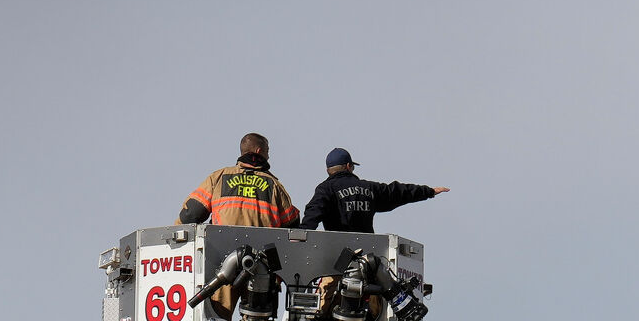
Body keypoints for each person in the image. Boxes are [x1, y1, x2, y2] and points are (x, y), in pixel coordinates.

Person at [301, 148, 448, 233]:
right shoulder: (369, 188)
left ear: (328, 170)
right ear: (349, 166)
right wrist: (428, 191)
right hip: (367, 257)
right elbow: (398, 192)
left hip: (335, 257)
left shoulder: (325, 189)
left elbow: (314, 212)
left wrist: (300, 235)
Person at [179, 134, 300, 228]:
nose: (268, 157)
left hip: (220, 247)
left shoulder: (218, 177)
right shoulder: (273, 185)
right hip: (263, 250)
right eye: (267, 151)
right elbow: (291, 222)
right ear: (259, 151)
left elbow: (190, 214)